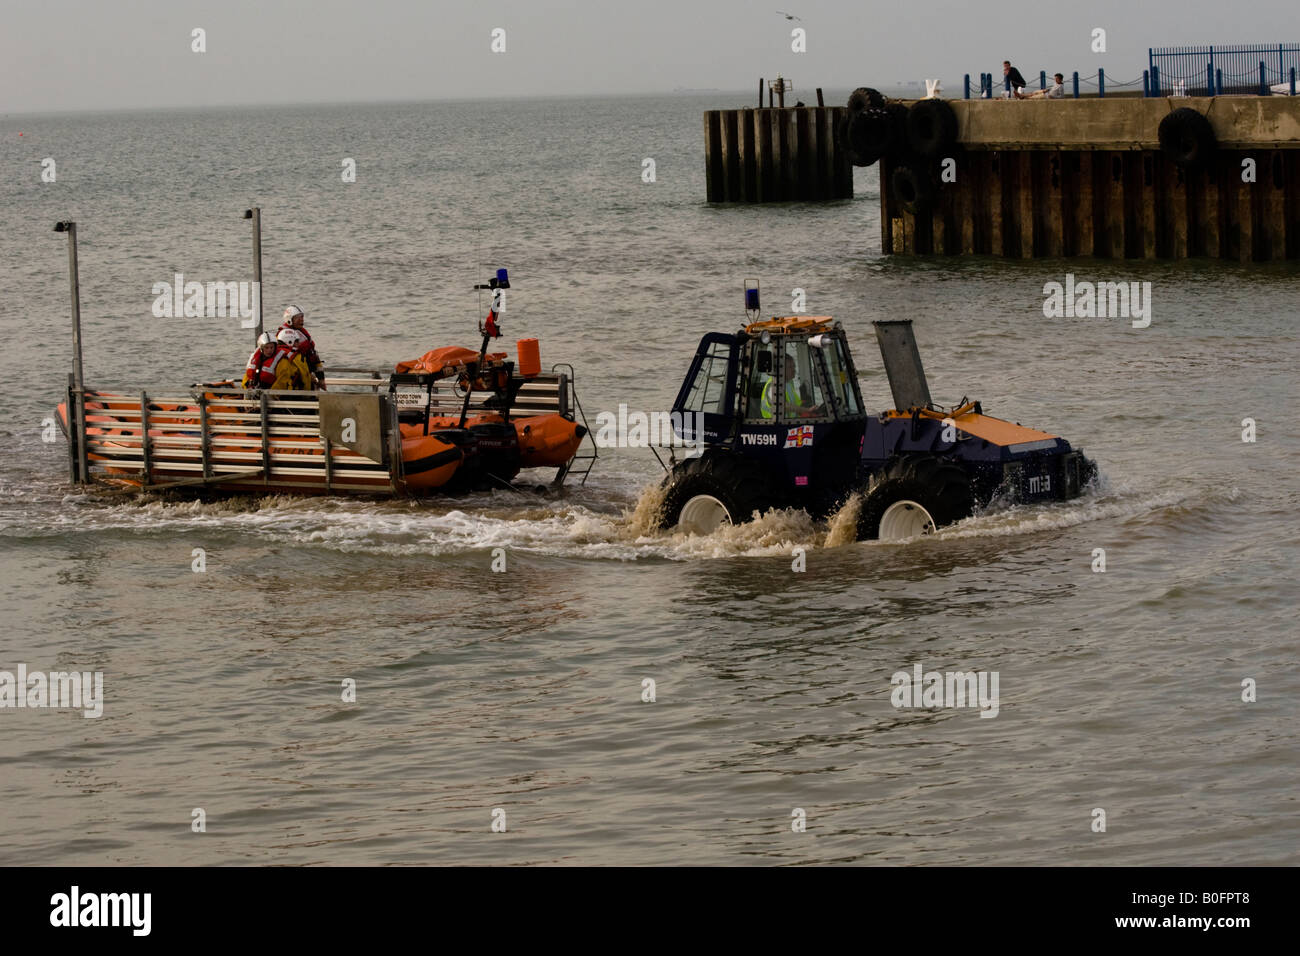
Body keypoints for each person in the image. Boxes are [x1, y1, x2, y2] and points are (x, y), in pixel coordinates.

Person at [280, 305, 326, 389]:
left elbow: (313, 355)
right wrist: (308, 375)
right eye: (298, 317)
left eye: (302, 317)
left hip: (309, 375)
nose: (301, 319)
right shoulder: (283, 337)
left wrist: (321, 378)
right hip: (297, 380)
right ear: (290, 320)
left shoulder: (303, 334)